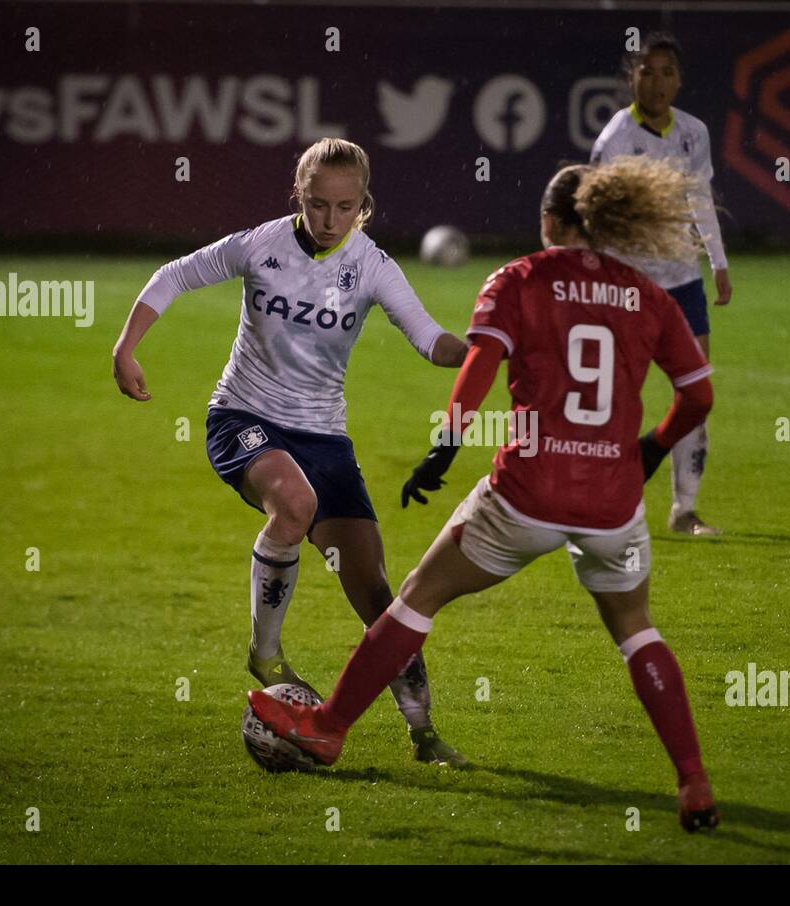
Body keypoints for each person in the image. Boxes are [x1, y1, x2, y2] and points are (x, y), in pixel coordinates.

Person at [249, 157, 720, 833]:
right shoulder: (647, 294)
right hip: (613, 504)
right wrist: (649, 448)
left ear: (551, 222)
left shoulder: (520, 279)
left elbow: (479, 368)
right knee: (636, 628)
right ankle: (695, 782)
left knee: (417, 597)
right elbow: (698, 395)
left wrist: (445, 445)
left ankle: (326, 727)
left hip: (526, 495)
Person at [112, 138, 471, 767]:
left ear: (364, 204)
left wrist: (483, 349)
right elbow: (174, 275)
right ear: (297, 195)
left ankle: (424, 735)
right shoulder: (262, 244)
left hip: (325, 436)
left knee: (380, 599)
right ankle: (267, 652)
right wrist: (126, 347)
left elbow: (430, 340)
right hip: (243, 417)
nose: (329, 220)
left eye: (345, 206)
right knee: (295, 503)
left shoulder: (375, 267)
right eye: (316, 204)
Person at [591, 30, 731, 536]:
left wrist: (717, 261)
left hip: (683, 283)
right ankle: (611, 503)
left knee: (695, 391)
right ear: (631, 77)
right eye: (646, 71)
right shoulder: (614, 139)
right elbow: (597, 216)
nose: (656, 81)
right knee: (619, 396)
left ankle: (684, 509)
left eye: (666, 71)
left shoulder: (694, 132)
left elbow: (700, 199)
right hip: (628, 285)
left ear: (679, 79)